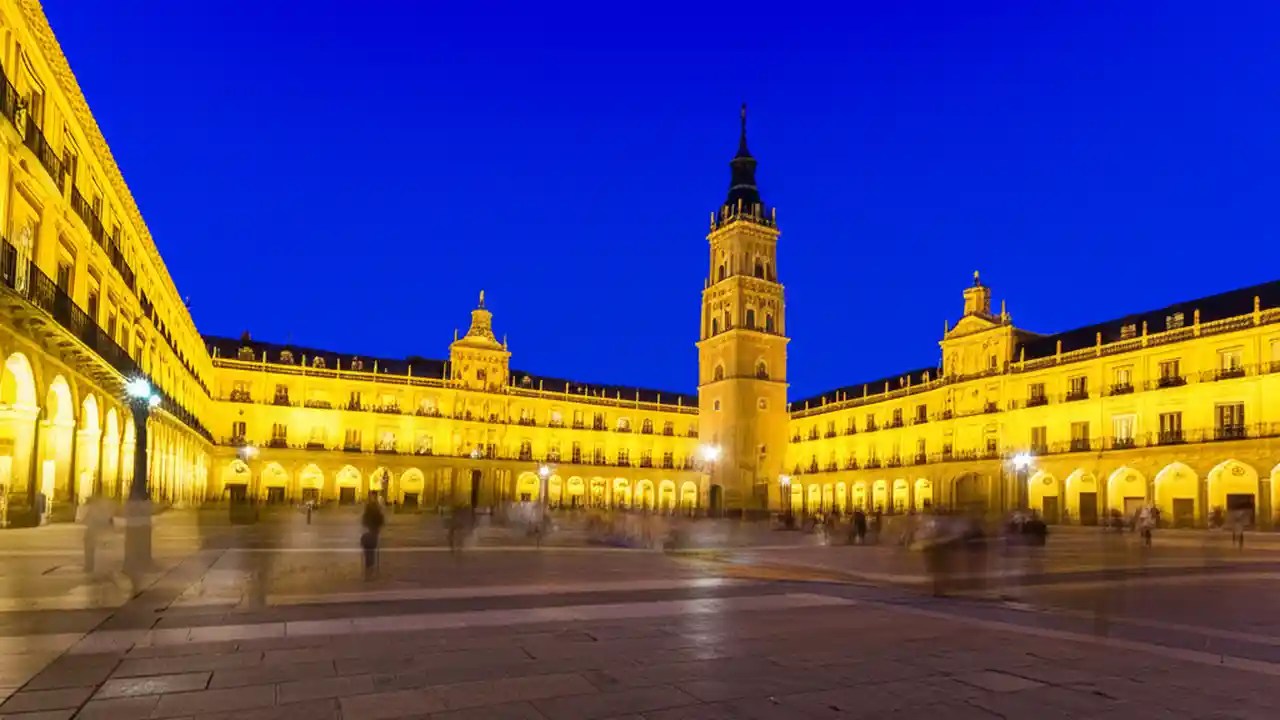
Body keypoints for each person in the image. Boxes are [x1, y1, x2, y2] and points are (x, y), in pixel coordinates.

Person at [361, 498, 385, 580]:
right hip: (373, 534)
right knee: (372, 553)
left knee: (368, 554)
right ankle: (370, 571)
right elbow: (381, 522)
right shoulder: (377, 513)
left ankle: (368, 571)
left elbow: (364, 522)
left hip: (366, 536)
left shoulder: (367, 513)